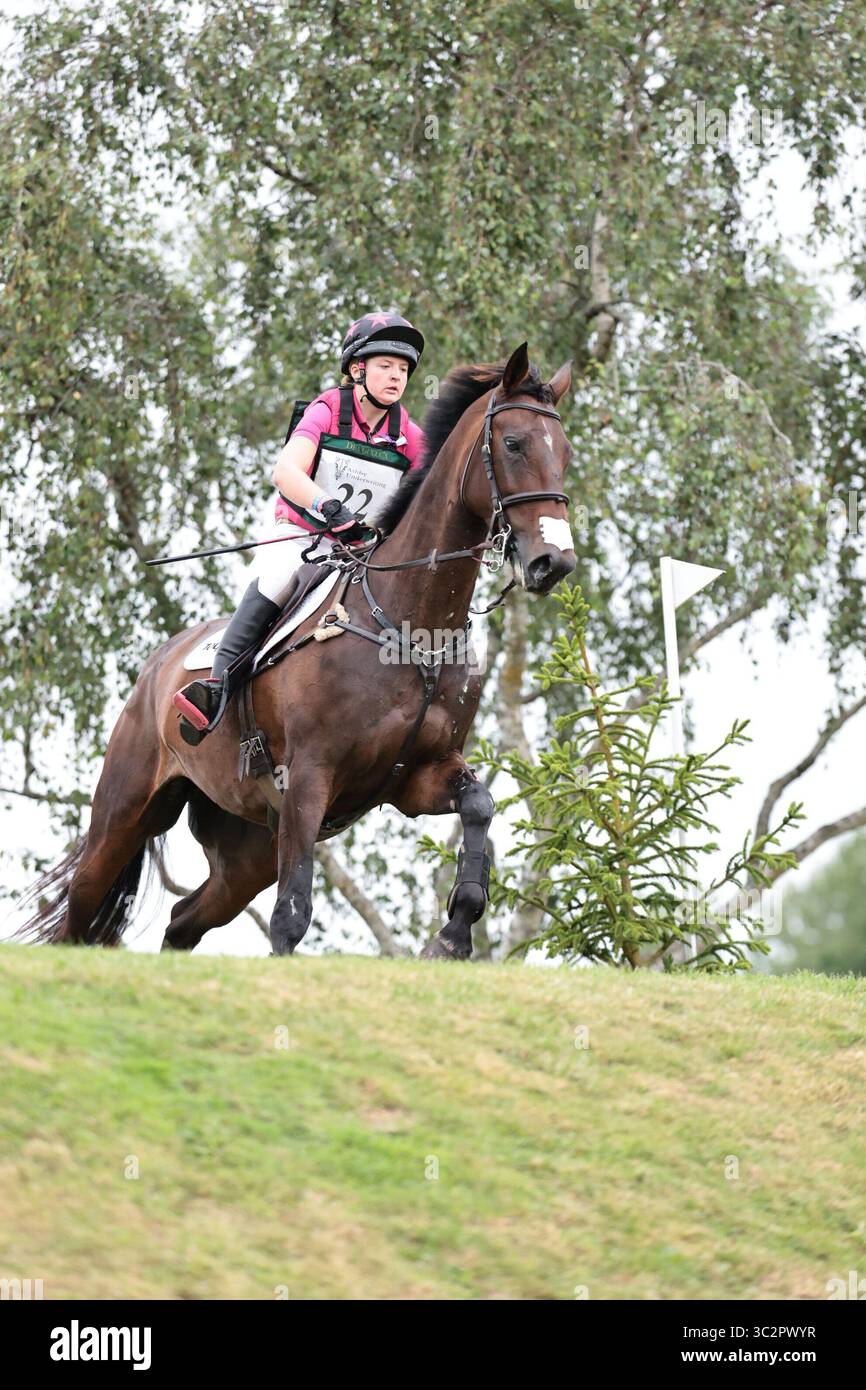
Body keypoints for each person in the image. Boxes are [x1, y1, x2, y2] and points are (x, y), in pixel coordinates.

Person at [172, 311, 427, 741]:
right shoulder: (326, 409)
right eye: (386, 366)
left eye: (403, 370)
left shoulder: (410, 436)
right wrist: (328, 508)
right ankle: (215, 691)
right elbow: (285, 471)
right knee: (274, 581)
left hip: (363, 553)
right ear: (357, 369)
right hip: (303, 537)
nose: (396, 377)